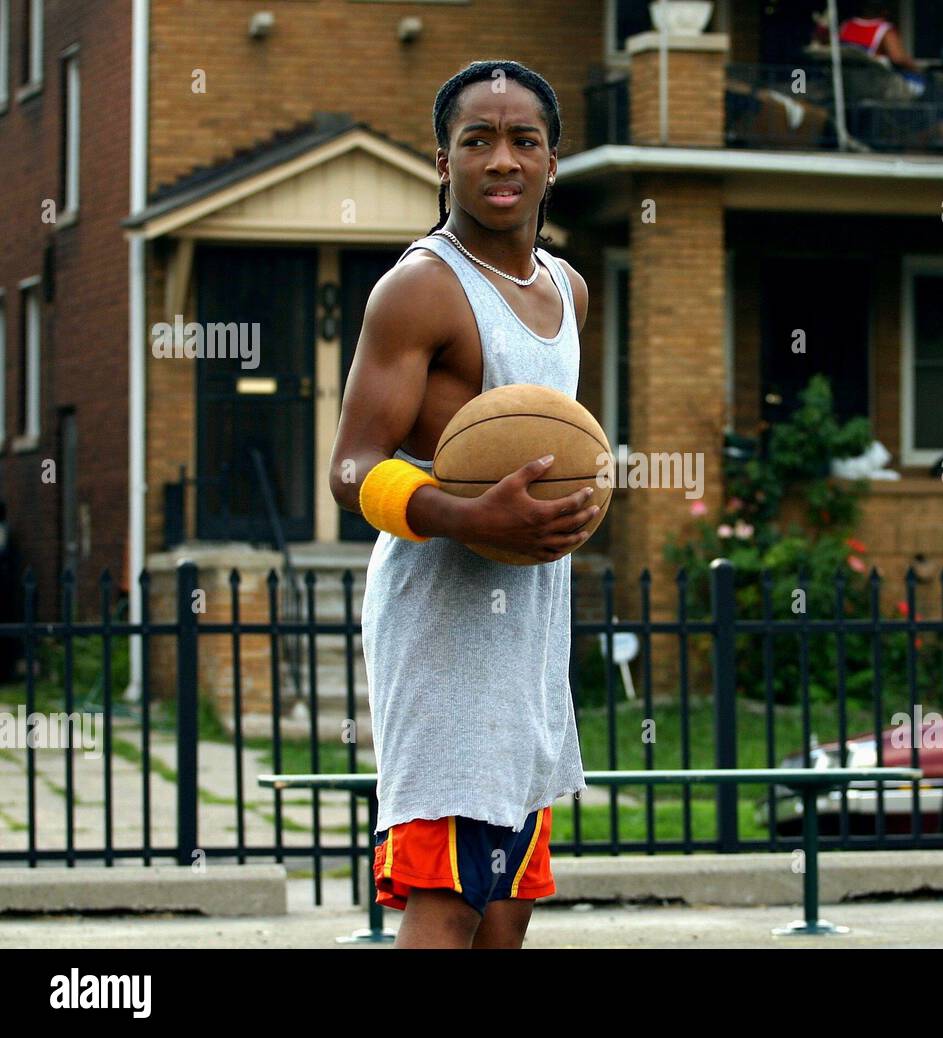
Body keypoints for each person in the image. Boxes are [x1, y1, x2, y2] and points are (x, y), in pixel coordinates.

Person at [329, 60, 595, 950]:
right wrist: (466, 517)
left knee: (508, 900)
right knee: (445, 895)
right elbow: (349, 468)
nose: (501, 158)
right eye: (476, 139)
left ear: (553, 161)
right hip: (440, 618)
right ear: (443, 162)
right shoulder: (420, 289)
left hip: (528, 622)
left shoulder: (569, 289)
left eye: (523, 139)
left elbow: (541, 447)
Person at [812, 2, 943, 154]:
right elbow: (898, 58)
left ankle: (921, 143)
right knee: (933, 94)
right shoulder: (883, 29)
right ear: (884, 9)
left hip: (851, 91)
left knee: (924, 103)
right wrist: (921, 69)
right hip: (881, 89)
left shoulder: (846, 26)